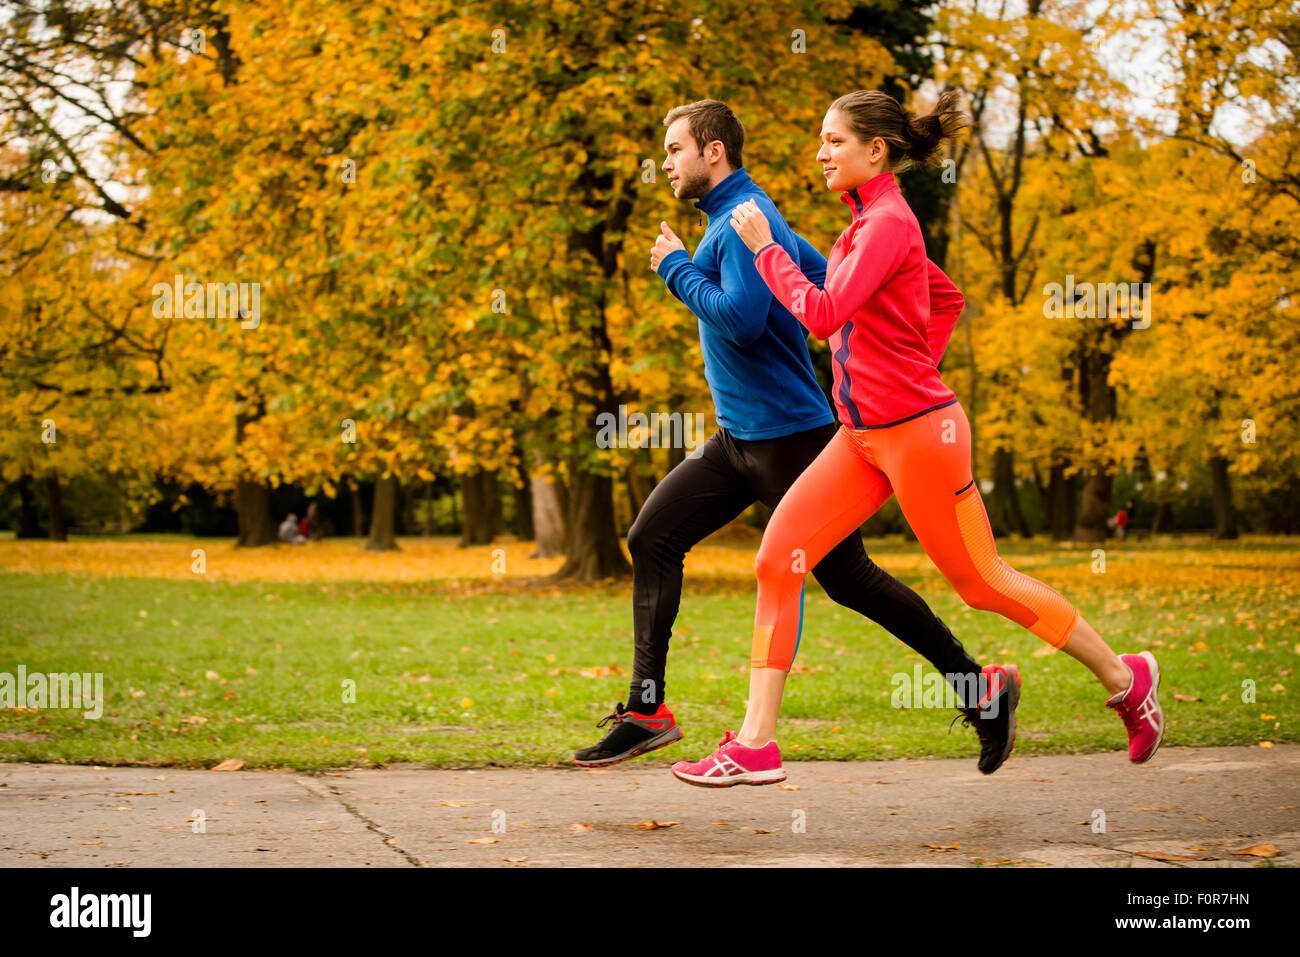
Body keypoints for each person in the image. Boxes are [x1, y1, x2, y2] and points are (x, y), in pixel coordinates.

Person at [670, 89, 1164, 787]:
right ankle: (756, 742)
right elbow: (945, 297)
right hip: (863, 435)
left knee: (981, 580)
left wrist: (768, 249)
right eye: (820, 139)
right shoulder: (862, 224)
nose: (820, 153)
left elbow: (821, 312)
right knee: (779, 559)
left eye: (834, 140)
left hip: (920, 437)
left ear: (875, 150)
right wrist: (899, 363)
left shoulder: (887, 225)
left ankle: (1126, 676)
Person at [571, 98, 1019, 777]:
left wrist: (674, 267)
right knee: (651, 535)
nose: (664, 162)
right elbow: (818, 279)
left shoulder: (743, 220)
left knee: (854, 581)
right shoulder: (743, 219)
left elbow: (742, 321)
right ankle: (647, 710)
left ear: (713, 152)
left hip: (793, 441)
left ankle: (979, 691)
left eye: (674, 149)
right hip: (737, 440)